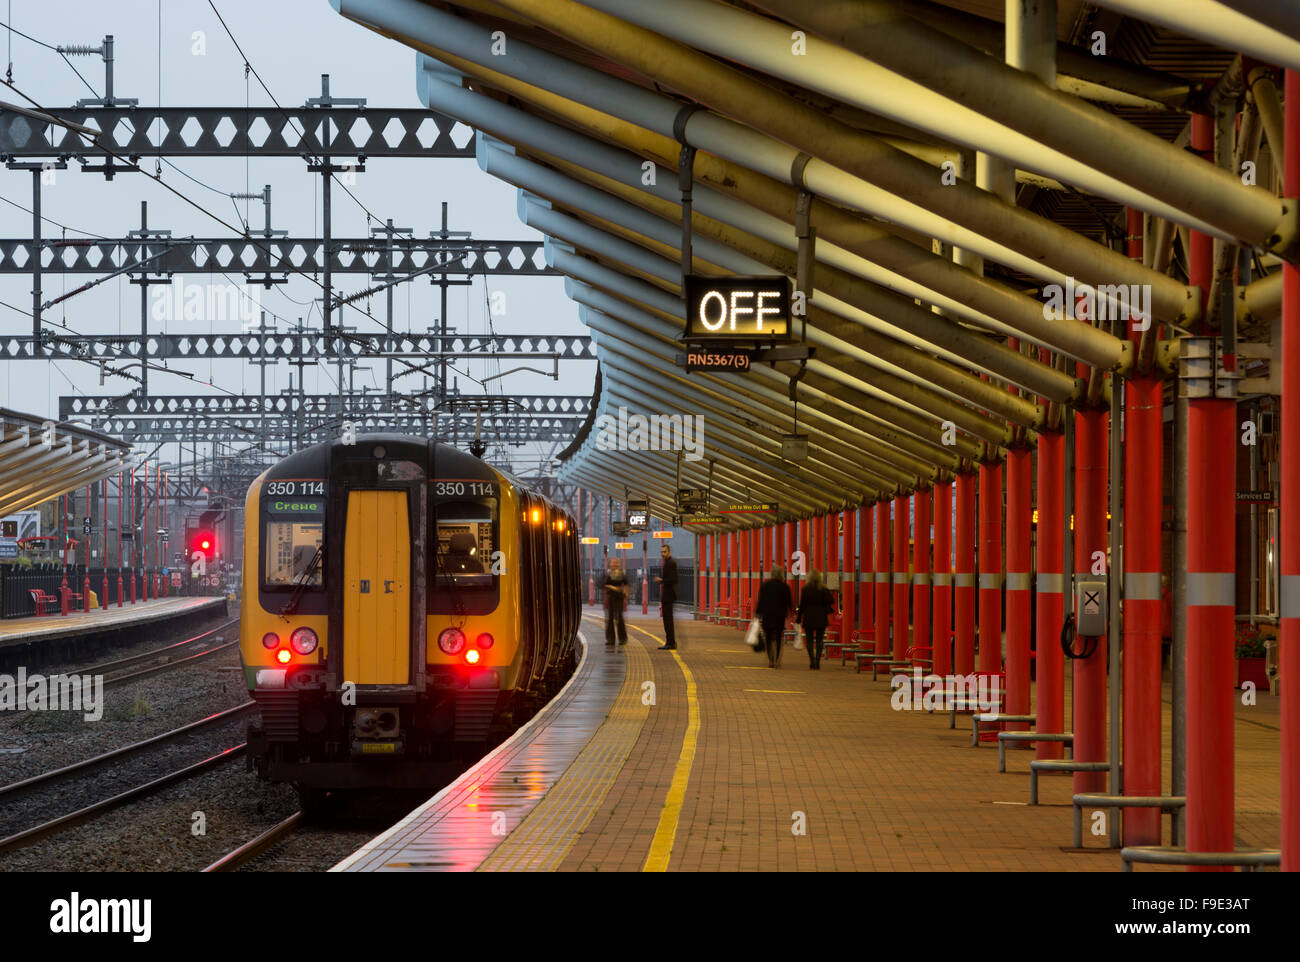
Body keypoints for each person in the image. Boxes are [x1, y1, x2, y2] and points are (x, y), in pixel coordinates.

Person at [754, 564, 794, 669]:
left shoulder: (765, 586)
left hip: (767, 615)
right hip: (780, 616)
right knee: (778, 637)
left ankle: (771, 660)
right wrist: (791, 614)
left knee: (768, 637)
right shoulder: (785, 587)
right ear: (781, 575)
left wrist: (757, 614)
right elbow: (789, 602)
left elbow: (761, 601)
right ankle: (777, 659)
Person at [797, 569, 836, 670]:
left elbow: (802, 605)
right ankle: (817, 661)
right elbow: (831, 600)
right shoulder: (823, 589)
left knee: (809, 640)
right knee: (819, 640)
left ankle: (812, 660)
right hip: (821, 617)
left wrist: (798, 617)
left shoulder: (805, 589)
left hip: (809, 617)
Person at [653, 543, 679, 650]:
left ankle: (670, 643)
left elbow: (674, 579)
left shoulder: (671, 563)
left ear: (669, 552)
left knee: (668, 620)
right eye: (661, 552)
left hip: (668, 595)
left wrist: (661, 580)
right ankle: (670, 642)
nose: (662, 554)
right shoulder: (668, 562)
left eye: (664, 552)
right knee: (667, 620)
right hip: (667, 595)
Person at [603, 557, 629, 647]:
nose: (614, 564)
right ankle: (610, 639)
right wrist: (613, 587)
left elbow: (625, 584)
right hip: (610, 598)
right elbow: (603, 584)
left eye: (616, 563)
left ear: (618, 564)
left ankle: (623, 639)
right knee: (610, 619)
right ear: (610, 564)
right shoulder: (608, 574)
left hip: (619, 598)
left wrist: (625, 593)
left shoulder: (621, 574)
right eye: (612, 563)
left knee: (619, 618)